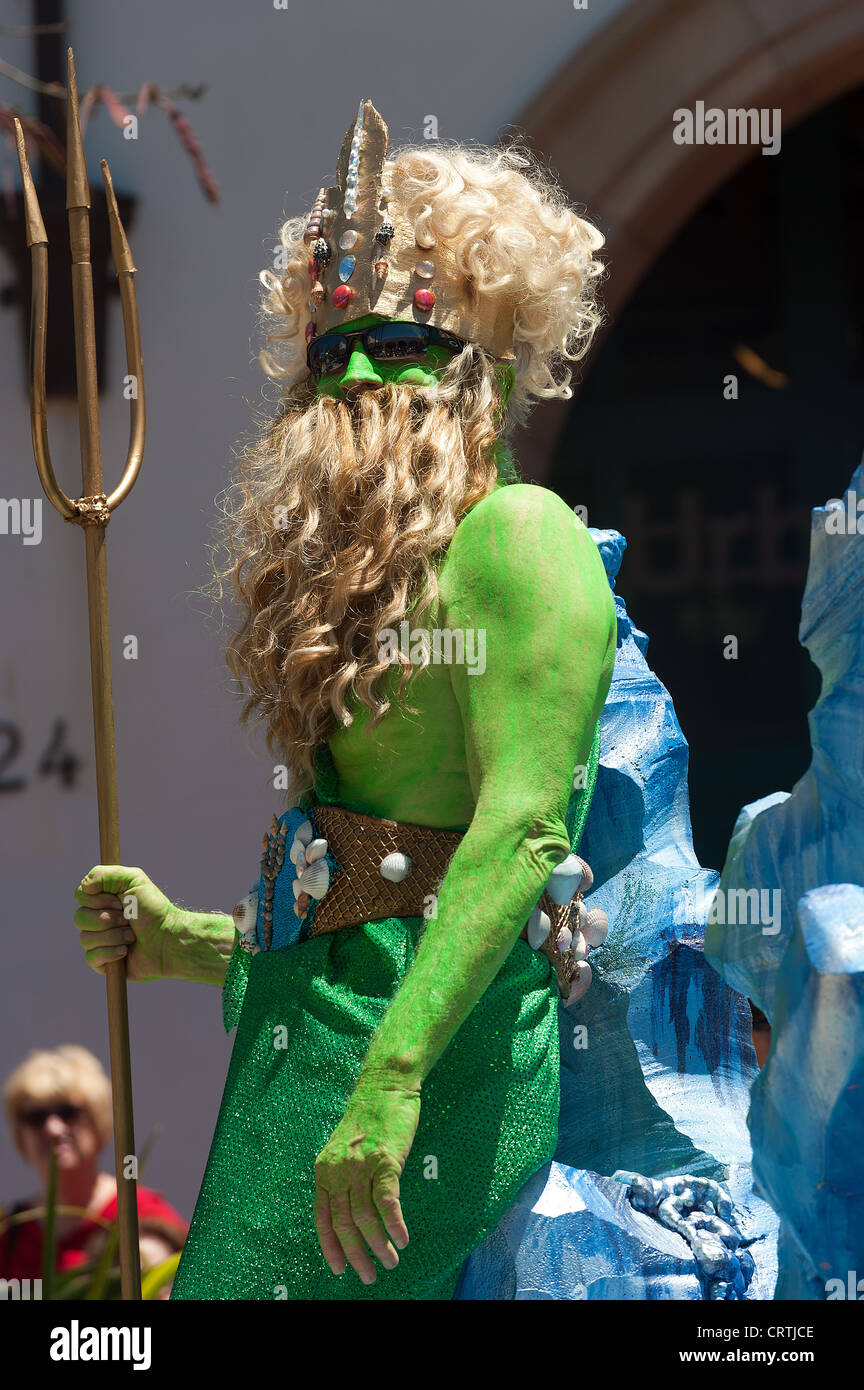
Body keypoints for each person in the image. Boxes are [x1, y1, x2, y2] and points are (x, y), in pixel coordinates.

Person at [73, 100, 616, 1299]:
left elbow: (521, 831)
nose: (360, 373)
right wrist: (191, 944)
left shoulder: (521, 536)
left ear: (491, 365)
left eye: (405, 347)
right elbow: (368, 896)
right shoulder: (371, 588)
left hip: (428, 1076)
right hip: (307, 1053)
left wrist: (394, 1075)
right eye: (334, 350)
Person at [0, 1045, 187, 1289]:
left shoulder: (141, 1214)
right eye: (36, 1118)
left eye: (69, 1113)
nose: (53, 1129)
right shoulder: (10, 1233)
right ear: (19, 1136)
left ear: (99, 1122)